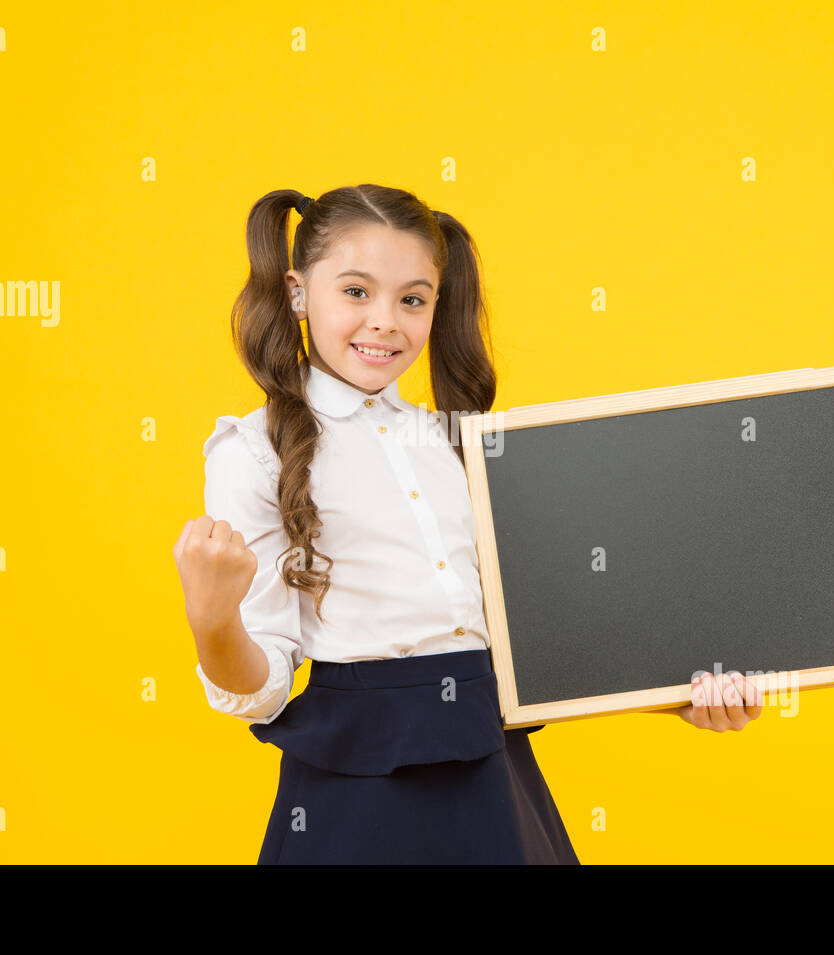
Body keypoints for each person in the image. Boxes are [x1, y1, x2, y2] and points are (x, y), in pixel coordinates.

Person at [172, 184, 761, 864]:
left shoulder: (463, 443)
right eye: (356, 292)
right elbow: (259, 692)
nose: (386, 321)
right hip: (355, 796)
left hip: (493, 782)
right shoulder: (252, 451)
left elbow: (543, 643)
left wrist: (678, 692)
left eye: (413, 299)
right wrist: (213, 619)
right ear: (299, 292)